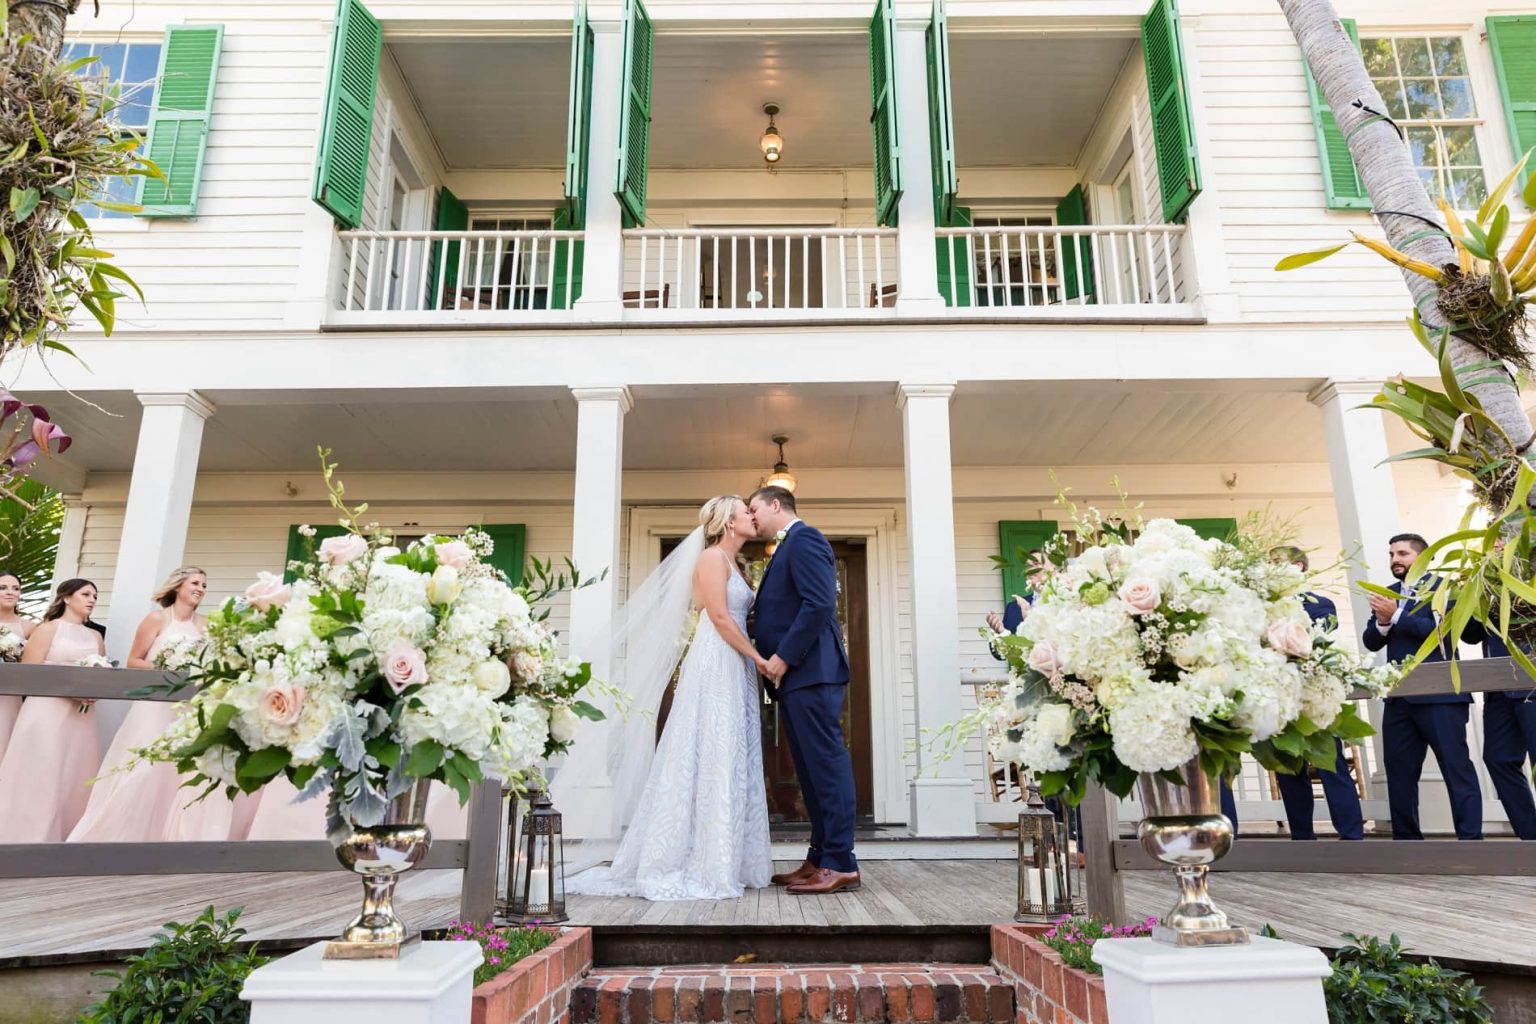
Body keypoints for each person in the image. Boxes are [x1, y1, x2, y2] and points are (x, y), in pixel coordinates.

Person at [563, 496, 772, 900]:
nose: (752, 515)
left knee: (729, 752)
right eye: (745, 511)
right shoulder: (711, 559)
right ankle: (695, 860)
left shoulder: (734, 564)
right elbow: (719, 616)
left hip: (736, 661)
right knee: (709, 749)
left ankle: (724, 855)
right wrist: (758, 659)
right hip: (717, 660)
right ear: (729, 522)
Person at [749, 485, 859, 895]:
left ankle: (841, 862)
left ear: (776, 505)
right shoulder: (786, 547)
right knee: (811, 774)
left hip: (812, 671)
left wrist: (783, 657)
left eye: (754, 508)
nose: (752, 516)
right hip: (797, 679)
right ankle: (819, 858)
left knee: (827, 767)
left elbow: (818, 604)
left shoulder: (806, 538)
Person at [1362, 533, 1485, 840]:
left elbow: (1447, 634)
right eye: (1391, 554)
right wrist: (1383, 622)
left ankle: (1471, 840)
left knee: (1457, 770)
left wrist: (1398, 615)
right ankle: (1407, 842)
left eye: (1402, 554)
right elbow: (1371, 639)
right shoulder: (1386, 593)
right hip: (1400, 699)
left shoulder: (1447, 589)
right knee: (1400, 774)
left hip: (1441, 697)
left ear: (1423, 557)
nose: (1394, 560)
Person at [1268, 546, 1365, 841]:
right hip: (1279, 697)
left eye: (1276, 563)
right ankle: (1302, 837)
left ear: (1298, 567)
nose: (1270, 568)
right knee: (1288, 768)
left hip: (1314, 695)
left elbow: (1324, 642)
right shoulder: (1264, 606)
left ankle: (1351, 836)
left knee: (1331, 764)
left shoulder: (1320, 604)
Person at [0, 579, 107, 841]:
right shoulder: (47, 630)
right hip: (46, 711)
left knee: (74, 773)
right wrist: (70, 690)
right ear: (67, 598)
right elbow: (30, 676)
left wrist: (94, 692)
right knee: (41, 771)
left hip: (81, 717)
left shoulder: (95, 636)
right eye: (85, 594)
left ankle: (67, 836)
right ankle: (23, 835)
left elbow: (102, 675)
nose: (92, 599)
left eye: (95, 595)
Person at [1480, 635, 1536, 840]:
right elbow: (1471, 634)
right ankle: (1531, 837)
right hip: (1498, 688)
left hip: (1532, 677)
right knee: (1498, 758)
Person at [0, 569, 39, 764]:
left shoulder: (30, 628)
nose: (10, 592)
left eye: (15, 588)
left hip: (9, 696)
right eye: (3, 587)